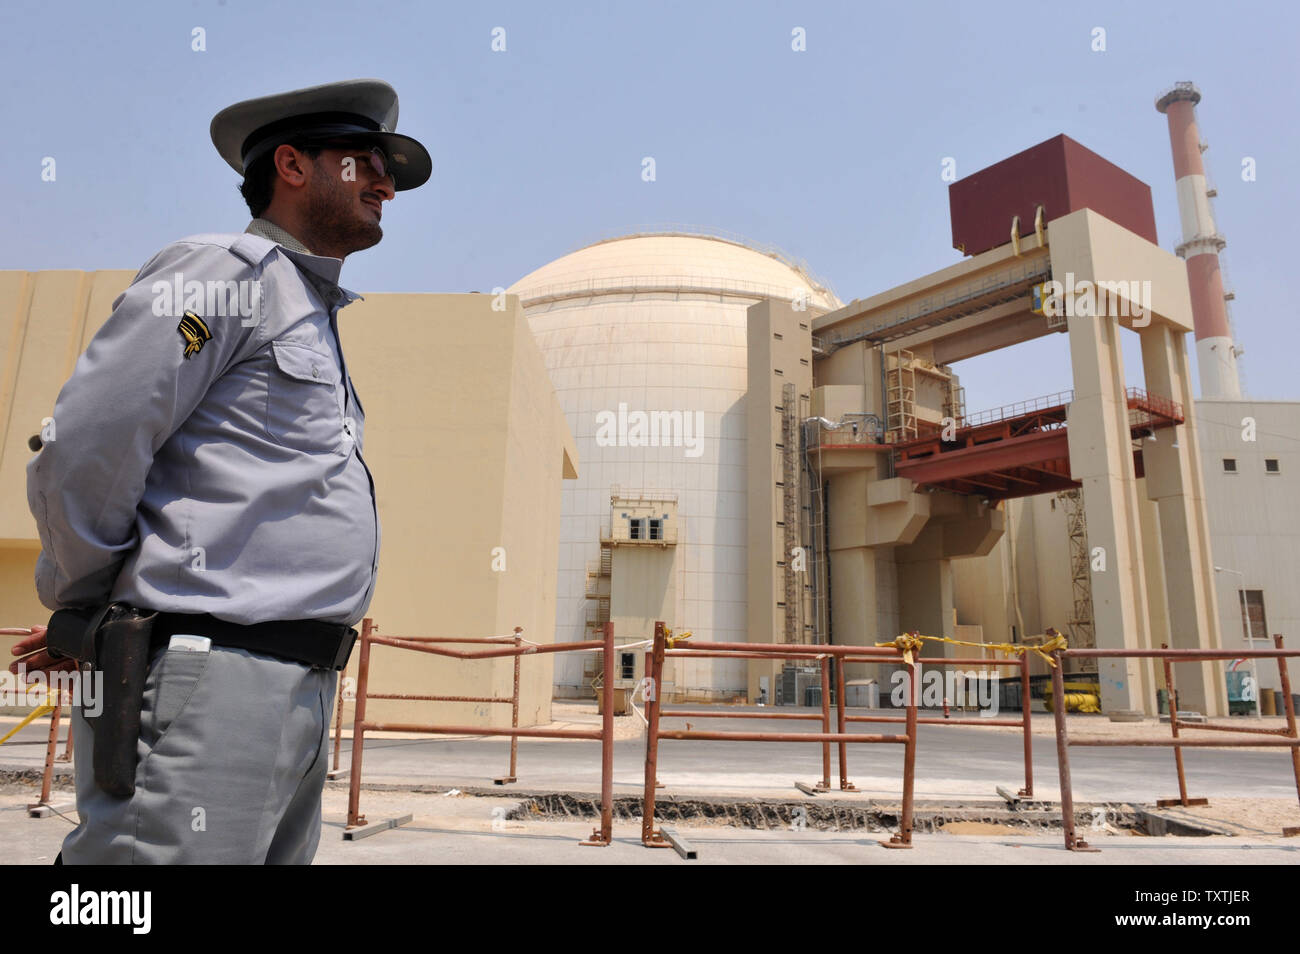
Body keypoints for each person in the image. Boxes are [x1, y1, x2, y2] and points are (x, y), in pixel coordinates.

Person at [8, 79, 431, 864]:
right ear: (293, 165)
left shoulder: (306, 307)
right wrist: (87, 602)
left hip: (296, 682)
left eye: (390, 173)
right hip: (216, 673)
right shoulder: (226, 273)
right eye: (364, 161)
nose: (385, 183)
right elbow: (89, 442)